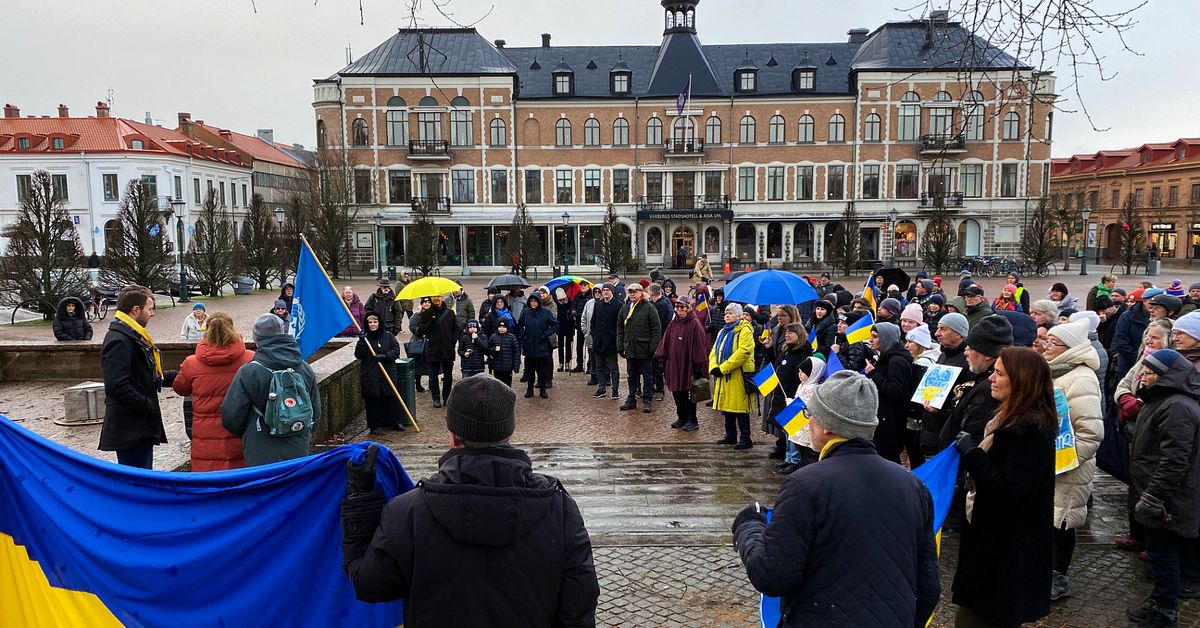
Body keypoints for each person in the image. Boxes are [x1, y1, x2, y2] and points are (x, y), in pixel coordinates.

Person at [339, 375, 600, 625]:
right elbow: (578, 608)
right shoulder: (560, 510)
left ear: (453, 437)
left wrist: (360, 500)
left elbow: (369, 584)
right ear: (508, 433)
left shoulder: (408, 511)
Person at [732, 370, 941, 626]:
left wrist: (748, 527)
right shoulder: (913, 485)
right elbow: (928, 585)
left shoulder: (805, 485)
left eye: (810, 414)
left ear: (828, 426)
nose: (808, 421)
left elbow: (772, 575)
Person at [951, 346, 1056, 627]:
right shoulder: (1010, 420)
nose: (991, 379)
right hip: (993, 548)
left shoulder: (1029, 432)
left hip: (1004, 553)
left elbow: (1012, 492)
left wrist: (973, 455)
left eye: (999, 374)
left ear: (1021, 381)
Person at [1125, 349, 1200, 627]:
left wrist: (1153, 496)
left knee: (1164, 554)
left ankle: (1165, 612)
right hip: (1156, 492)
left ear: (1166, 375)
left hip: (1167, 498)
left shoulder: (1176, 406)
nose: (1144, 376)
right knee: (1159, 554)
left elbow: (1175, 460)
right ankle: (1159, 601)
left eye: (1150, 372)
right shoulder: (1161, 400)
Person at [1041, 320, 1104, 601]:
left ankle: (1059, 577)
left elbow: (1091, 431)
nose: (1046, 346)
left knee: (1062, 521)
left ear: (1070, 347)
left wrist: (1068, 461)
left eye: (1052, 342)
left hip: (1067, 466)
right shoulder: (1056, 371)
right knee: (1049, 519)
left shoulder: (1081, 378)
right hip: (1048, 462)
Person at [221, 314, 320, 466]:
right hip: (298, 446)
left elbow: (231, 417)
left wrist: (251, 432)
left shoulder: (249, 371)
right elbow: (315, 413)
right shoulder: (304, 368)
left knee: (264, 481)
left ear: (256, 340)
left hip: (260, 448)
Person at [100, 285, 174, 469]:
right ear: (135, 310)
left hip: (138, 428)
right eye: (150, 309)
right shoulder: (119, 340)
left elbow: (145, 372)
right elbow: (117, 386)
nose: (152, 314)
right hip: (131, 429)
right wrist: (148, 406)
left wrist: (178, 377)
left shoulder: (131, 334)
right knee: (137, 480)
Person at [172, 311, 253, 471]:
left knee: (207, 475)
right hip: (239, 430)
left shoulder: (192, 363)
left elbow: (180, 388)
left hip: (205, 434)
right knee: (240, 476)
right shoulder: (250, 359)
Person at [938, 315, 1013, 448]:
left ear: (987, 355)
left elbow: (973, 434)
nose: (966, 353)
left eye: (970, 348)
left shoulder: (991, 388)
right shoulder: (980, 377)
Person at [654, 296, 709, 431]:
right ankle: (681, 417)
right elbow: (666, 340)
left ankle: (692, 419)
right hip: (674, 363)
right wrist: (661, 358)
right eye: (677, 307)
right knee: (676, 391)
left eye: (682, 307)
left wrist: (698, 365)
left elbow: (700, 344)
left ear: (688, 308)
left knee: (688, 393)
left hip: (688, 364)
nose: (679, 309)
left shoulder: (694, 323)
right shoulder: (674, 323)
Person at [919, 312, 970, 454]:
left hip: (948, 434)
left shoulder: (967, 361)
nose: (937, 334)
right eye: (938, 328)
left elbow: (963, 403)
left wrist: (940, 411)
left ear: (958, 334)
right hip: (930, 428)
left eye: (943, 329)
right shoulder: (943, 355)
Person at [865, 322, 913, 464]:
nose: (871, 340)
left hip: (891, 423)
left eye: (875, 337)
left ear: (886, 338)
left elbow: (895, 392)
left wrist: (873, 373)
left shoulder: (897, 361)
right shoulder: (887, 357)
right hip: (884, 419)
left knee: (888, 461)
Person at [710, 303, 756, 449]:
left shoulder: (745, 330)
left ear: (739, 315)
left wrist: (723, 368)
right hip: (724, 375)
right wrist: (713, 366)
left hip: (739, 375)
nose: (727, 316)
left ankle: (745, 438)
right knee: (727, 405)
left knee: (740, 408)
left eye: (730, 313)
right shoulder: (723, 331)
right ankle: (730, 435)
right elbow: (714, 350)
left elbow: (743, 352)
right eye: (726, 313)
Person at [355, 312, 405, 436]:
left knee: (391, 398)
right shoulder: (365, 339)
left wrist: (385, 356)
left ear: (379, 323)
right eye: (370, 322)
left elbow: (396, 351)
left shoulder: (388, 336)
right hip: (371, 374)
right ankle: (374, 425)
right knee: (372, 400)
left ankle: (395, 422)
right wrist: (361, 341)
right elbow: (359, 355)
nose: (373, 324)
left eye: (375, 322)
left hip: (387, 371)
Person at [617, 283, 663, 413]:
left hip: (645, 349)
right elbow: (620, 328)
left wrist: (652, 348)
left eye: (635, 291)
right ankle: (631, 399)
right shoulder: (625, 307)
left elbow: (656, 329)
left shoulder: (649, 307)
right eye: (630, 292)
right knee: (631, 375)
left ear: (641, 292)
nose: (632, 294)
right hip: (630, 348)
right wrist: (620, 346)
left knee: (647, 376)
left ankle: (647, 400)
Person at [905, 325, 941, 468]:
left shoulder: (923, 363)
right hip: (922, 419)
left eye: (911, 342)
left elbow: (916, 393)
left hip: (917, 418)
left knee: (915, 455)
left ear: (920, 344)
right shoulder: (929, 359)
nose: (907, 346)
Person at [418, 294, 459, 408]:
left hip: (447, 349)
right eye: (434, 297)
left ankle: (447, 397)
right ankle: (436, 398)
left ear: (442, 297)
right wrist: (431, 322)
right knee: (433, 376)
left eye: (439, 296)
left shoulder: (449, 313)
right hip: (432, 349)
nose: (436, 298)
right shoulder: (426, 314)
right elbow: (420, 331)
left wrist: (452, 341)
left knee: (448, 375)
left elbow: (456, 329)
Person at [517, 293, 558, 399]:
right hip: (529, 344)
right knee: (529, 369)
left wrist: (546, 334)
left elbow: (555, 325)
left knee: (542, 370)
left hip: (541, 344)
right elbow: (519, 325)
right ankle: (530, 389)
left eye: (535, 301)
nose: (533, 303)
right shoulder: (526, 312)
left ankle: (542, 389)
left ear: (539, 302)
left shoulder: (546, 313)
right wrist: (523, 334)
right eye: (531, 301)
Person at [590, 283, 622, 400]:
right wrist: (594, 333)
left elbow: (620, 324)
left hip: (611, 341)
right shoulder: (598, 304)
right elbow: (593, 321)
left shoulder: (618, 305)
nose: (605, 292)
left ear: (612, 291)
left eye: (608, 290)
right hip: (598, 341)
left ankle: (615, 390)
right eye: (604, 290)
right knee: (599, 366)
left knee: (613, 368)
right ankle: (601, 388)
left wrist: (616, 337)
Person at [648, 284, 673, 399]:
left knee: (657, 365)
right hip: (657, 337)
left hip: (660, 338)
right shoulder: (657, 302)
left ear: (652, 292)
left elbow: (656, 322)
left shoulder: (661, 304)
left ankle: (659, 389)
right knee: (653, 365)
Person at [488, 319, 521, 387]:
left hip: (508, 368)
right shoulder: (493, 337)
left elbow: (516, 352)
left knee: (507, 386)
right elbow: (488, 350)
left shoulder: (512, 337)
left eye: (503, 327)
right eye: (500, 327)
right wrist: (494, 350)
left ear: (507, 327)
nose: (502, 329)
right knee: (497, 386)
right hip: (496, 367)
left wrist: (516, 366)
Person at [555, 292, 577, 372]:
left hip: (569, 326)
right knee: (560, 346)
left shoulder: (571, 303)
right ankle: (561, 363)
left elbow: (573, 314)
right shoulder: (557, 304)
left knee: (568, 345)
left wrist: (572, 314)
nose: (562, 300)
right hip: (560, 326)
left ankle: (568, 362)